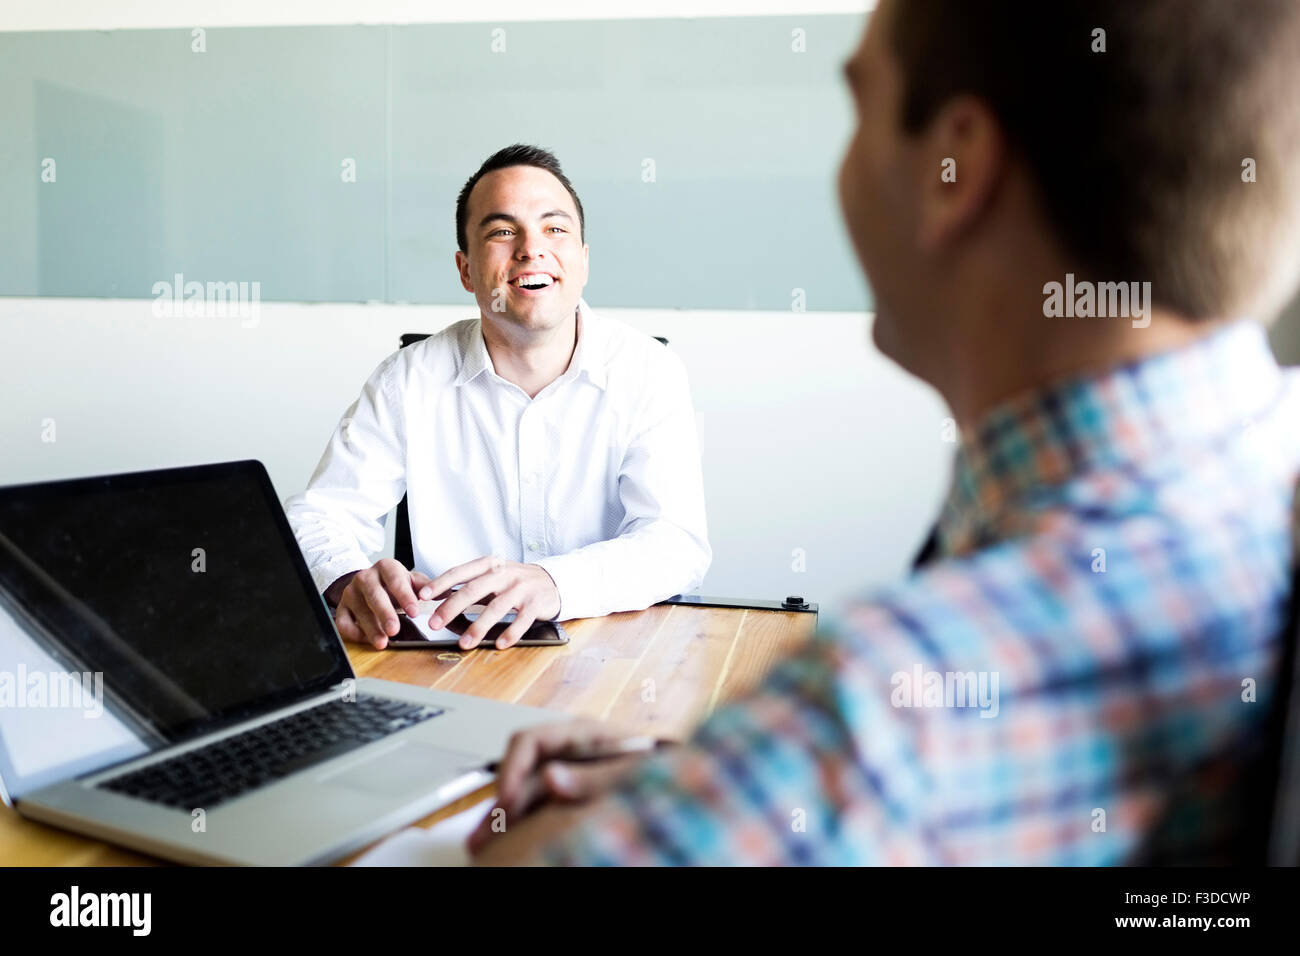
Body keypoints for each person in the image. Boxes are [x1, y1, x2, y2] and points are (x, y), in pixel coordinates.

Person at [469, 0, 1300, 864]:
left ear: (955, 167)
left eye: (857, 106)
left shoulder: (886, 714)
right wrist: (716, 779)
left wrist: (541, 827)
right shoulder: (1267, 465)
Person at [285, 145, 710, 651]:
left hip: (607, 657)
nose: (532, 249)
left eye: (555, 229)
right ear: (466, 270)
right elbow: (319, 517)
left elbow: (676, 542)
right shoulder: (408, 378)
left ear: (583, 261)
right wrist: (348, 578)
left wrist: (556, 583)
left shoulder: (648, 372)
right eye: (502, 232)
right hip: (447, 657)